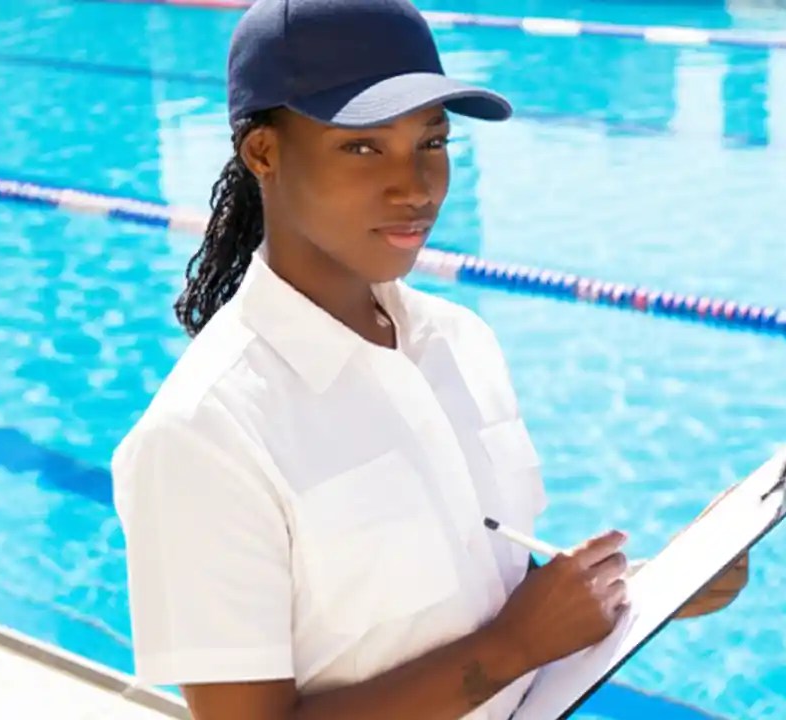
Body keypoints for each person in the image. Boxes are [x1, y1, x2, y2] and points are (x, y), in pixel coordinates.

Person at [111, 0, 748, 718]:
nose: (414, 187)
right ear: (264, 153)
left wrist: (654, 584)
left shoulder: (460, 343)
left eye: (433, 143)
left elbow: (480, 588)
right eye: (363, 147)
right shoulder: (206, 433)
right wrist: (514, 646)